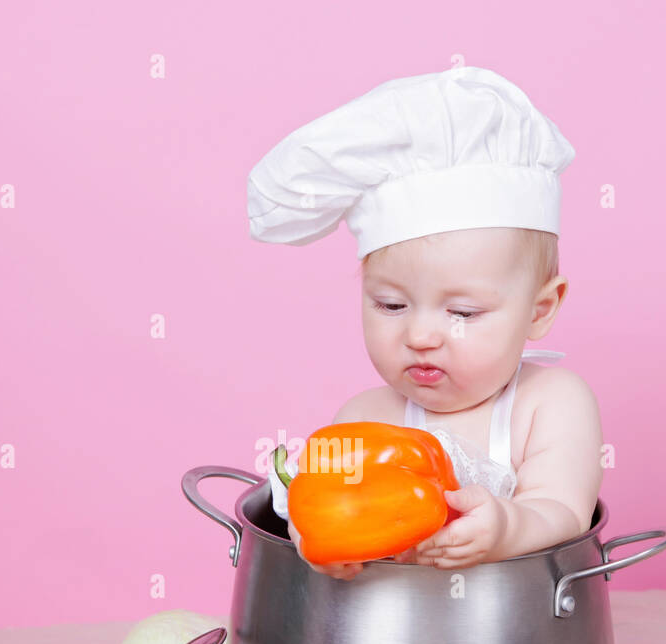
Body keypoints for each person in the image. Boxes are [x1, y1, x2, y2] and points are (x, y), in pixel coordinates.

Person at [247, 66, 603, 581]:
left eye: (462, 313)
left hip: (514, 641)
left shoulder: (550, 404)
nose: (420, 337)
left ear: (540, 310)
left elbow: (563, 510)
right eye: (391, 305)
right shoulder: (364, 415)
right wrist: (317, 540)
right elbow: (316, 507)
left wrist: (505, 527)